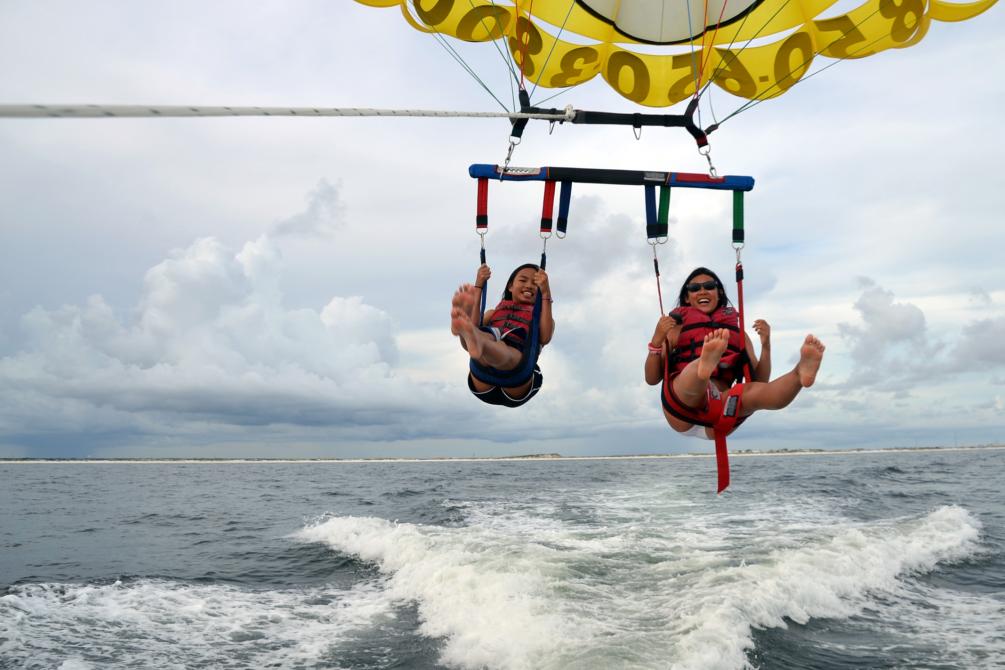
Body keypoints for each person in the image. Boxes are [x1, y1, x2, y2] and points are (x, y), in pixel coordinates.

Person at [645, 267, 825, 439]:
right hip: (682, 410)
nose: (702, 291)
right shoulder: (675, 329)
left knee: (756, 394)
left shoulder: (737, 334)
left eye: (709, 286)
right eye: (694, 288)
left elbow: (760, 382)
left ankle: (799, 374)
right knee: (691, 380)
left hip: (722, 412)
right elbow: (652, 379)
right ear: (687, 297)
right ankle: (703, 367)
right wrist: (657, 339)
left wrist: (766, 346)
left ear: (719, 293)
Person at [451, 263, 554, 407]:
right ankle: (472, 336)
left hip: (517, 374)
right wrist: (478, 286)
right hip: (482, 371)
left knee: (504, 349)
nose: (529, 286)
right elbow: (477, 324)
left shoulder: (540, 317)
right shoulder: (493, 313)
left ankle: (477, 340)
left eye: (535, 283)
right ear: (510, 286)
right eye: (523, 280)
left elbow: (545, 337)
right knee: (485, 333)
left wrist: (546, 294)